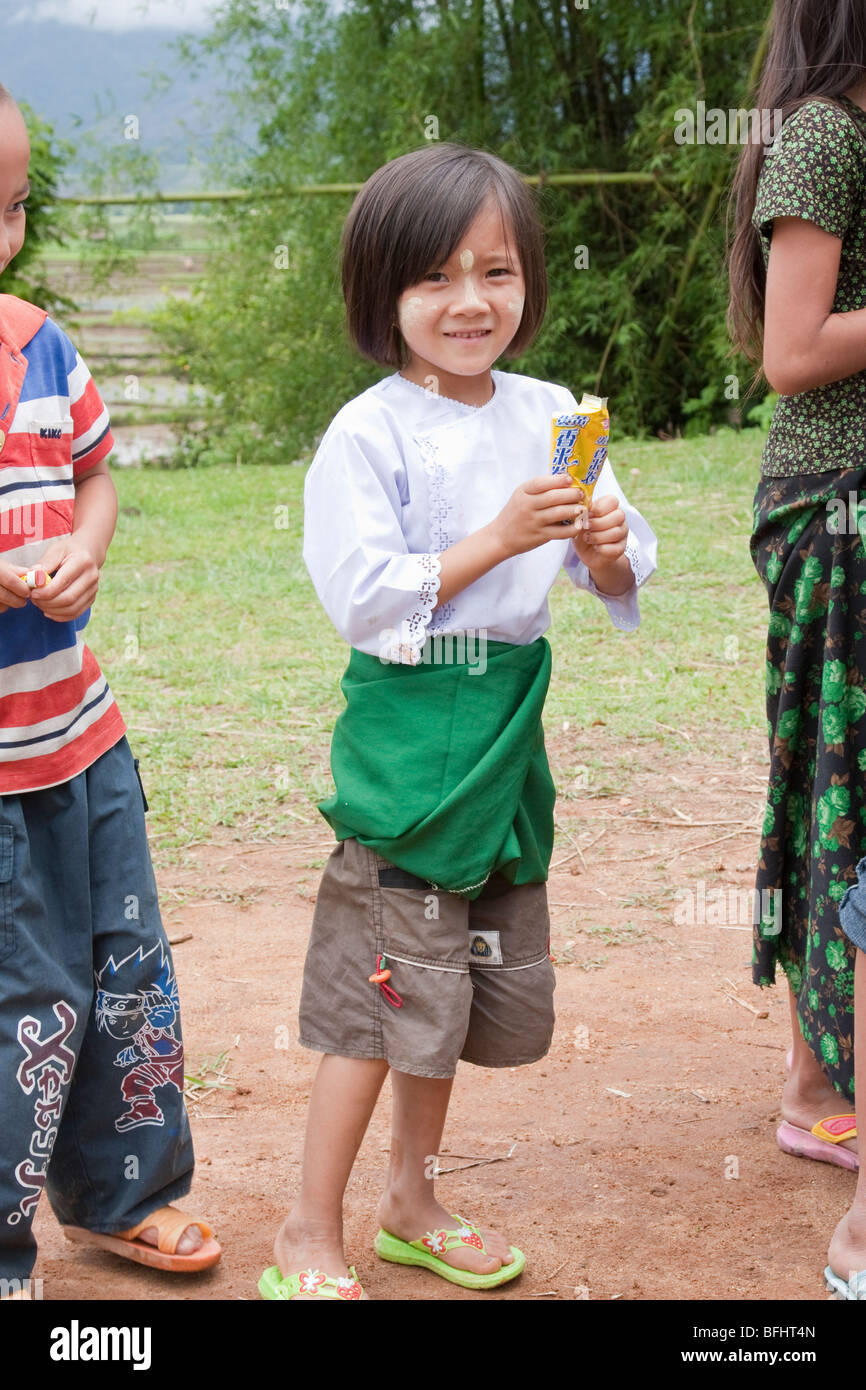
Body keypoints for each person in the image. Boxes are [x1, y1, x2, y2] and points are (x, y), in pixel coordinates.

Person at [261, 142, 657, 1301]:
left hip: (501, 738)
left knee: (450, 980)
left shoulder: (553, 416)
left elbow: (623, 571)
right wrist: (494, 537)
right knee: (375, 994)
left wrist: (599, 548)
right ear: (383, 294)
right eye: (434, 277)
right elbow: (363, 596)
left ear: (528, 278)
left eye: (495, 271)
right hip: (408, 740)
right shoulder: (366, 431)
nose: (469, 301)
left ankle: (411, 1200)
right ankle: (304, 1226)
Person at [0, 84, 219, 1297]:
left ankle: (124, 1193)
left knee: (124, 970)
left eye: (15, 207)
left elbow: (95, 477)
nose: (2, 238)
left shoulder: (41, 345)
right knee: (18, 998)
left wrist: (87, 544)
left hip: (80, 744)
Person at [728, 0, 866, 1299]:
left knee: (834, 797)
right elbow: (789, 352)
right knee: (836, 800)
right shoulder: (823, 136)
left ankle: (817, 1080)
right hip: (834, 512)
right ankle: (816, 1077)